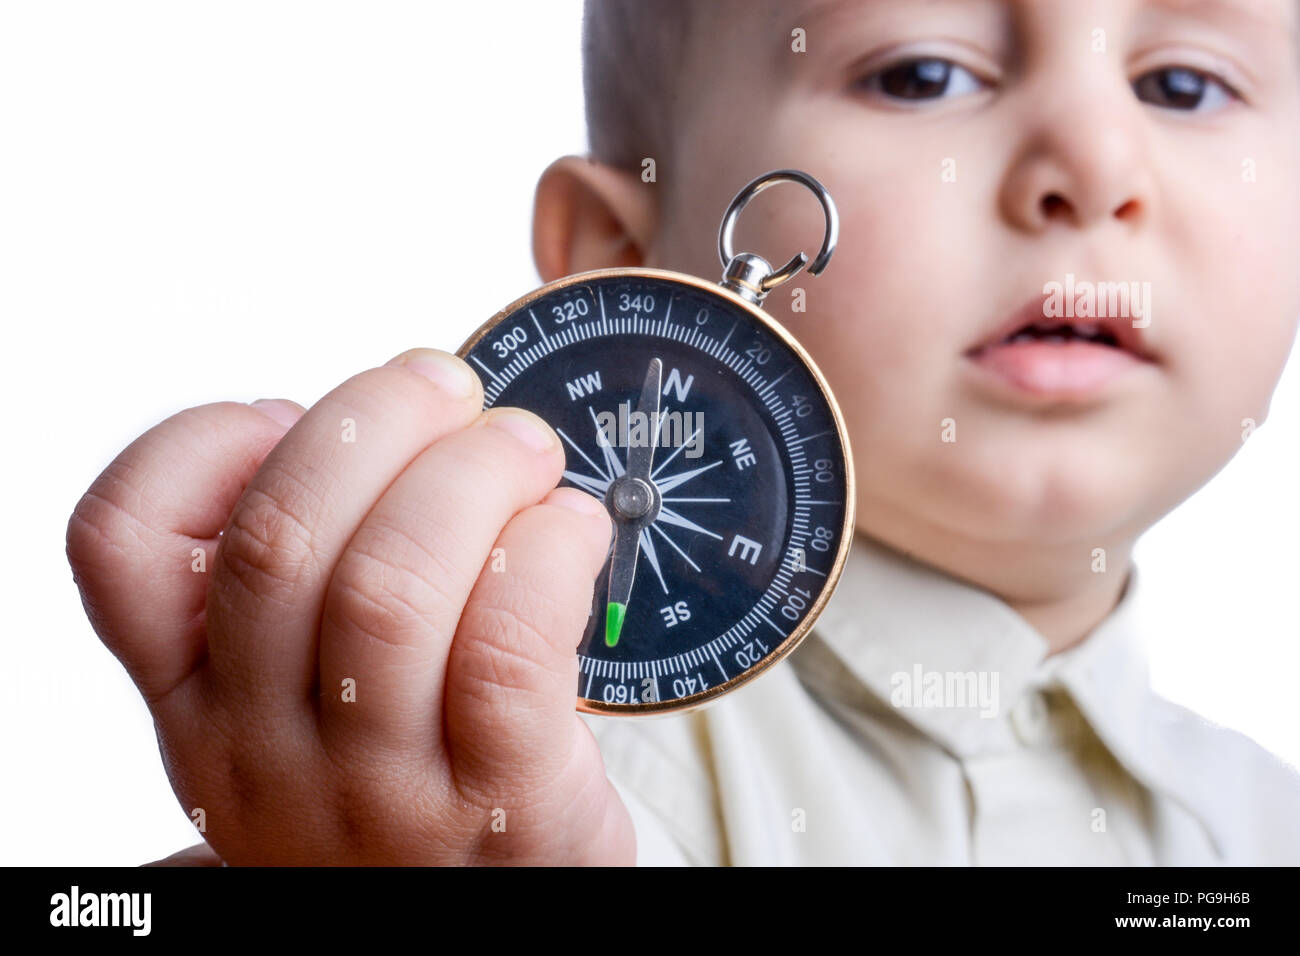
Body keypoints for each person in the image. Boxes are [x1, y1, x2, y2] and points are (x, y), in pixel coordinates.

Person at [67, 0, 1300, 865]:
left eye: (1183, 84)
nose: (1090, 162)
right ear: (621, 264)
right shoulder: (510, 787)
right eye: (921, 71)